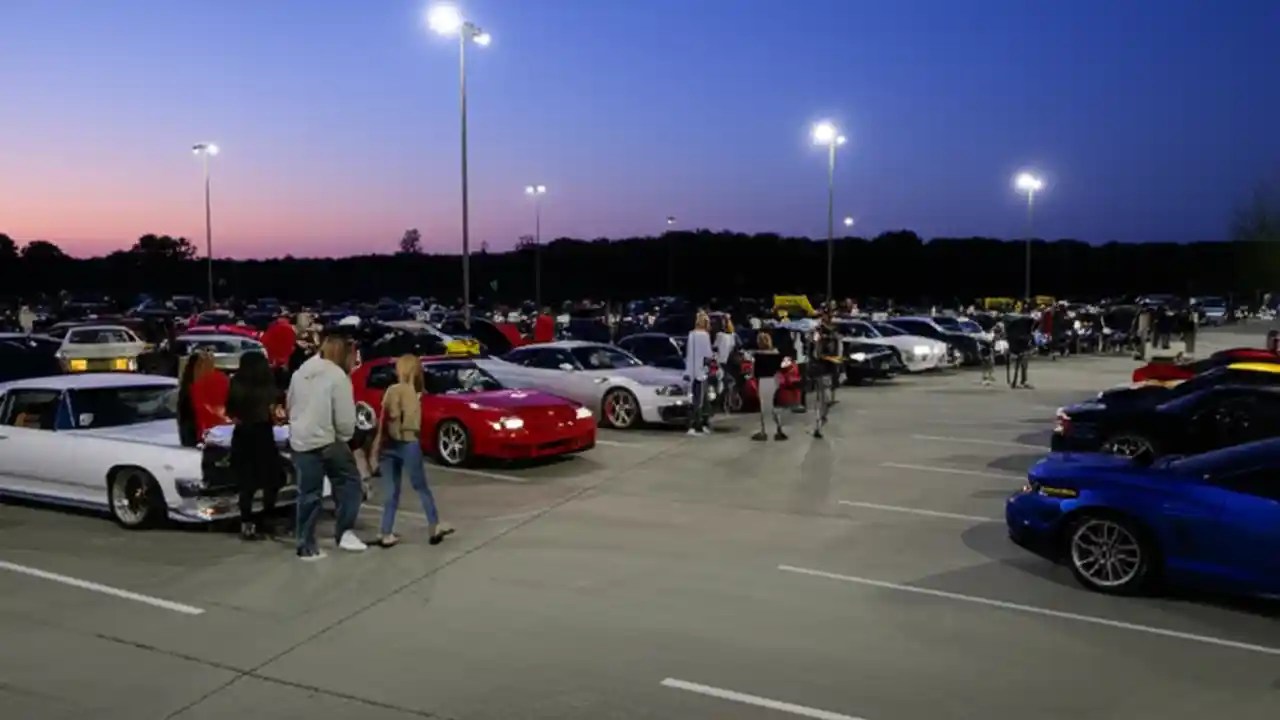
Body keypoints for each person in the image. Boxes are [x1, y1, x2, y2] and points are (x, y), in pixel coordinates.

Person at [288, 334, 365, 560]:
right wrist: (346, 437)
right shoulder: (337, 376)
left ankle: (306, 545)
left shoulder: (301, 372)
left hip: (300, 440)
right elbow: (344, 419)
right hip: (327, 440)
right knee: (350, 484)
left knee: (308, 494)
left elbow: (290, 401)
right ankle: (344, 533)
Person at [373, 355, 452, 547]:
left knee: (391, 491)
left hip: (388, 445)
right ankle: (434, 525)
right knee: (421, 487)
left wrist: (376, 448)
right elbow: (414, 423)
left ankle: (386, 532)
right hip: (408, 443)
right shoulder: (414, 394)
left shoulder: (390, 391)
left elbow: (382, 420)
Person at [226, 352, 284, 541]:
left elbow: (230, 409)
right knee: (272, 479)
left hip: (243, 434)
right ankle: (267, 517)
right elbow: (275, 409)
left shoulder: (237, 383)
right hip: (263, 435)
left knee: (246, 483)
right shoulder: (268, 385)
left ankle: (246, 522)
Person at [179, 350, 229, 447]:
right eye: (201, 365)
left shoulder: (218, 382)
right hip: (199, 438)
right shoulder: (189, 391)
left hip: (215, 436)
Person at [811, 314, 842, 438]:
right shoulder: (818, 335)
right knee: (823, 397)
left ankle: (821, 419)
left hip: (829, 369)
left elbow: (837, 353)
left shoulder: (834, 337)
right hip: (821, 369)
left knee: (825, 398)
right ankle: (819, 422)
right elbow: (815, 351)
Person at [750, 332, 786, 441]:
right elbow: (780, 368)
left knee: (764, 407)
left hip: (764, 381)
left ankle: (763, 431)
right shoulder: (776, 354)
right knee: (771, 407)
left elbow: (755, 373)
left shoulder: (758, 355)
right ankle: (779, 429)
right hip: (774, 381)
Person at [684, 313, 714, 435]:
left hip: (691, 371)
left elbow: (689, 353)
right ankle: (697, 426)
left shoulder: (691, 334)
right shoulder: (704, 335)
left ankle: (696, 425)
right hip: (701, 371)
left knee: (695, 400)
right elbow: (707, 355)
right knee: (700, 400)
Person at [261, 312, 297, 389]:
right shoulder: (289, 330)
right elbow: (291, 347)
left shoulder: (272, 328)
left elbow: (264, 341)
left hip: (272, 363)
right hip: (282, 364)